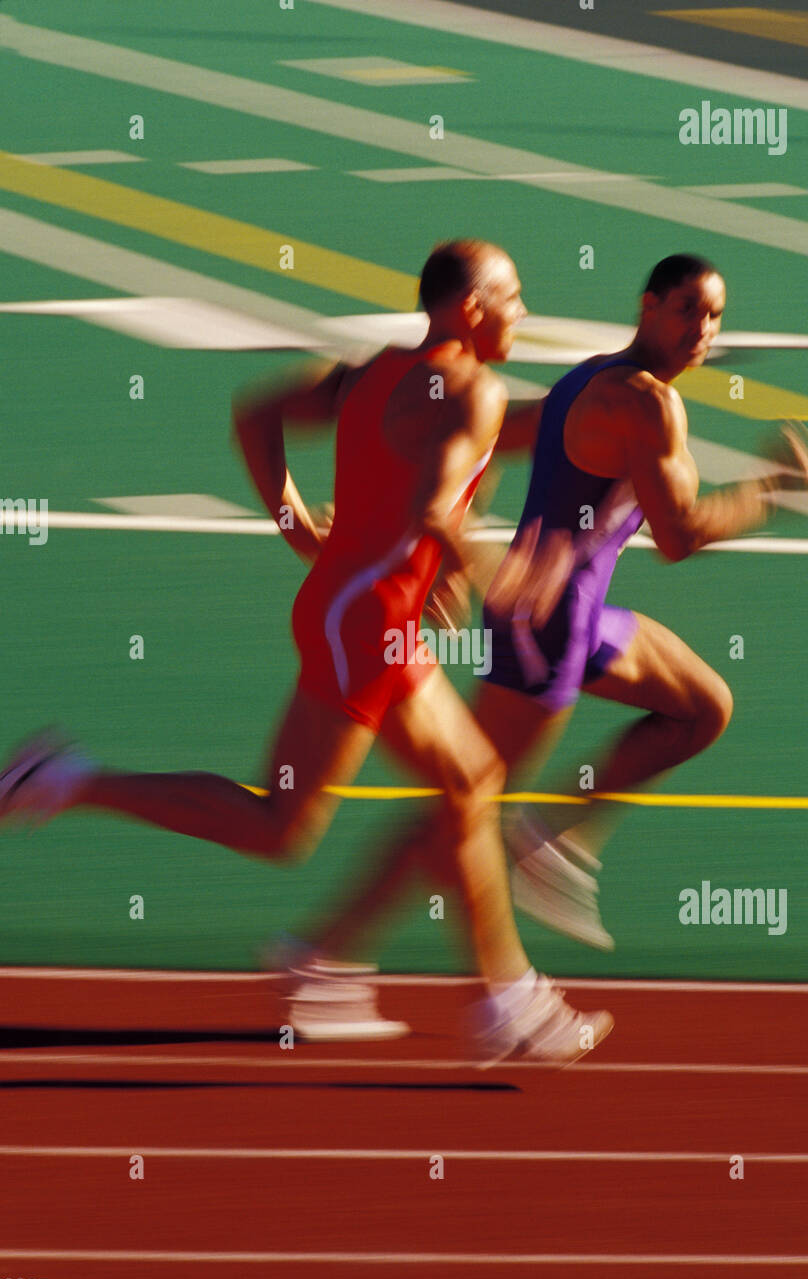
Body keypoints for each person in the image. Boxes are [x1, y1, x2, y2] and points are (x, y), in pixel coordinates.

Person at [0, 238, 615, 1064]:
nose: (524, 313)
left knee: (443, 787)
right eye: (513, 297)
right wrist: (502, 577)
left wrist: (295, 523)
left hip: (352, 609)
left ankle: (468, 996)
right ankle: (502, 1002)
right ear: (470, 309)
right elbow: (435, 510)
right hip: (366, 626)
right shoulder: (473, 391)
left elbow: (254, 413)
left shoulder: (372, 372)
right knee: (296, 822)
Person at [299, 253, 808, 955]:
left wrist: (446, 527)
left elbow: (486, 439)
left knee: (702, 707)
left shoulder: (589, 376)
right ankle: (326, 950)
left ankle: (545, 840)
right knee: (462, 808)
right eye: (686, 310)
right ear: (648, 305)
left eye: (714, 316)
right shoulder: (642, 401)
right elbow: (679, 536)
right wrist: (769, 491)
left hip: (572, 617)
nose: (701, 329)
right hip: (541, 627)